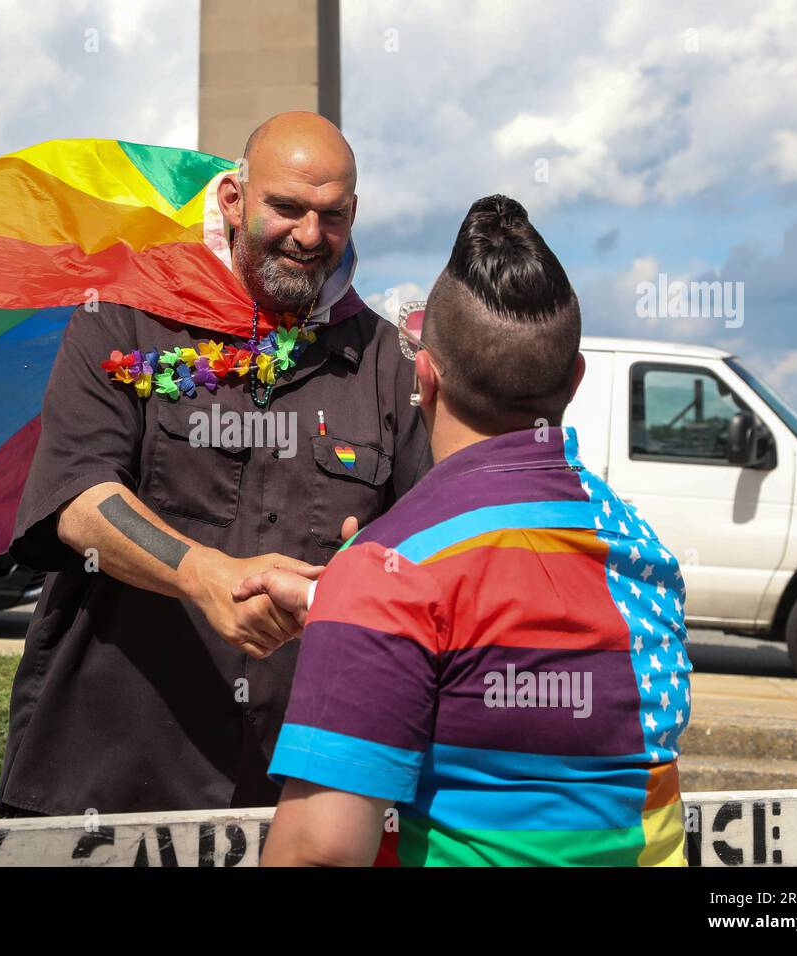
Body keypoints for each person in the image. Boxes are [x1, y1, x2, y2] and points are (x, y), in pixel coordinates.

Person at [0, 112, 432, 817]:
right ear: (233, 200)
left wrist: (372, 571)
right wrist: (205, 576)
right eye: (285, 208)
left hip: (297, 799)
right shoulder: (124, 317)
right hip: (101, 781)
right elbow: (77, 498)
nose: (309, 237)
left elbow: (431, 553)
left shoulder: (385, 363)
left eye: (332, 216)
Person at [242, 195, 692, 865]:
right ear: (574, 380)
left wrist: (357, 603)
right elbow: (518, 637)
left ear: (423, 376)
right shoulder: (639, 549)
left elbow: (320, 852)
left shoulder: (389, 571)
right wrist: (332, 605)